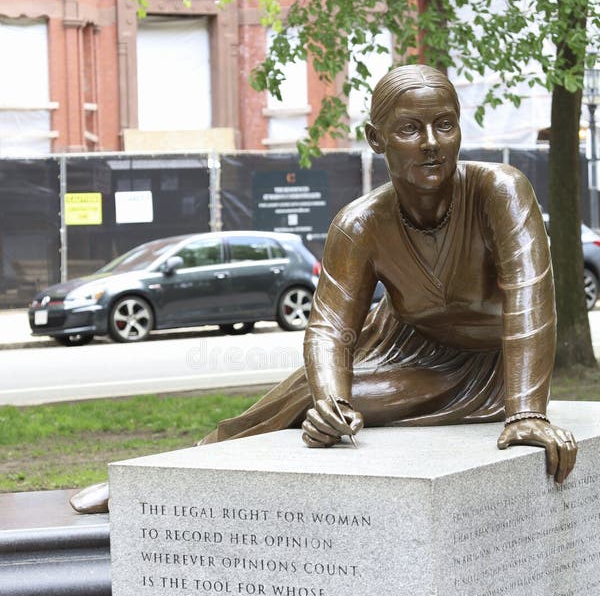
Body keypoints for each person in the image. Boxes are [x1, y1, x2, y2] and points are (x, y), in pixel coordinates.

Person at [71, 64, 576, 514]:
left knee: (297, 400)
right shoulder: (359, 225)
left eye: (444, 124)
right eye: (409, 128)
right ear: (376, 139)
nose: (430, 142)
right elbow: (330, 329)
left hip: (491, 363)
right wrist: (334, 404)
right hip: (406, 348)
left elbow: (531, 299)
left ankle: (161, 482)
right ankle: (166, 479)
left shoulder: (500, 191)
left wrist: (527, 411)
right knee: (302, 395)